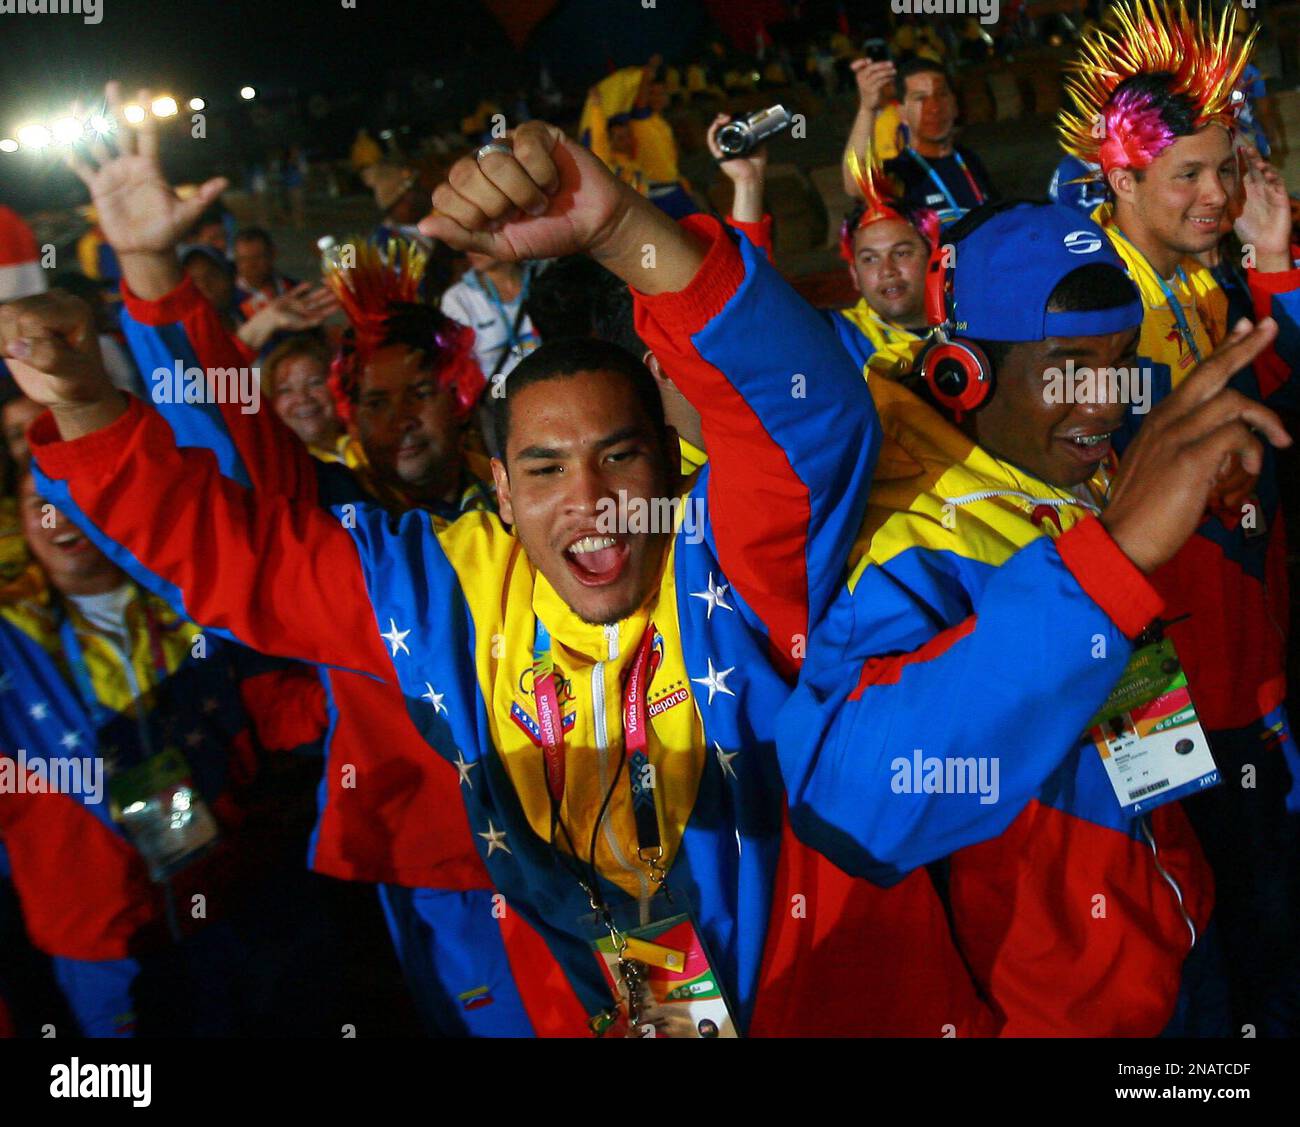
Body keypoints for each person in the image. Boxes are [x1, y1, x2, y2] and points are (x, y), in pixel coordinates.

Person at [14, 104, 992, 1037]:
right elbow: (236, 551)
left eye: (619, 455)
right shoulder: (448, 585)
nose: (588, 495)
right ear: (502, 489)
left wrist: (618, 228)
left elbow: (806, 415)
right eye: (544, 467)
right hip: (561, 978)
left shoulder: (728, 563)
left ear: (668, 462)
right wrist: (90, 377)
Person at [776, 200, 1293, 1035]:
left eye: (1122, 359)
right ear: (964, 371)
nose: (1108, 397)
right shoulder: (906, 535)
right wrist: (1112, 556)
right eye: (1069, 365)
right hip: (1058, 1012)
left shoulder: (1059, 463)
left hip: (1177, 946)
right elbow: (857, 801)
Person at [1057, 0, 1300, 1034]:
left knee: (1260, 907)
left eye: (1224, 167)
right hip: (1159, 671)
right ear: (1120, 182)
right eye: (1187, 176)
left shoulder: (1206, 278)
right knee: (1201, 926)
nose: (1217, 193)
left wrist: (1276, 260)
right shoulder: (1082, 302)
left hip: (1242, 648)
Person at [0, 450, 331, 1036]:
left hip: (232, 900)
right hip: (106, 936)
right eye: (41, 507)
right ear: (19, 524)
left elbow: (282, 714)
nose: (62, 520)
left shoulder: (192, 600)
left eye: (75, 499)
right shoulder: (14, 647)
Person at [829, 146, 939, 379]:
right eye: (869, 259)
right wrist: (748, 183)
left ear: (933, 258)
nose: (887, 271)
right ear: (855, 275)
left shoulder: (973, 319)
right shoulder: (840, 337)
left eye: (901, 253)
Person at [877, 58, 997, 227]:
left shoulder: (969, 160)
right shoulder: (898, 172)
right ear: (902, 113)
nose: (934, 108)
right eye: (920, 98)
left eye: (941, 95)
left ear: (955, 105)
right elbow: (856, 186)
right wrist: (866, 109)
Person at [440, 242, 542, 383]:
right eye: (469, 238)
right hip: (499, 396)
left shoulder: (543, 277)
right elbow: (459, 365)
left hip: (551, 388)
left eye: (482, 237)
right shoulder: (457, 299)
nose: (472, 248)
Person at [261, 334, 349, 459]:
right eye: (285, 390)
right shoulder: (277, 468)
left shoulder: (368, 444)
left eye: (315, 383)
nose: (302, 398)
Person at [232, 227, 296, 316]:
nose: (250, 265)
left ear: (272, 255)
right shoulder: (231, 301)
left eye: (257, 258)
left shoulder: (294, 288)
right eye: (243, 260)